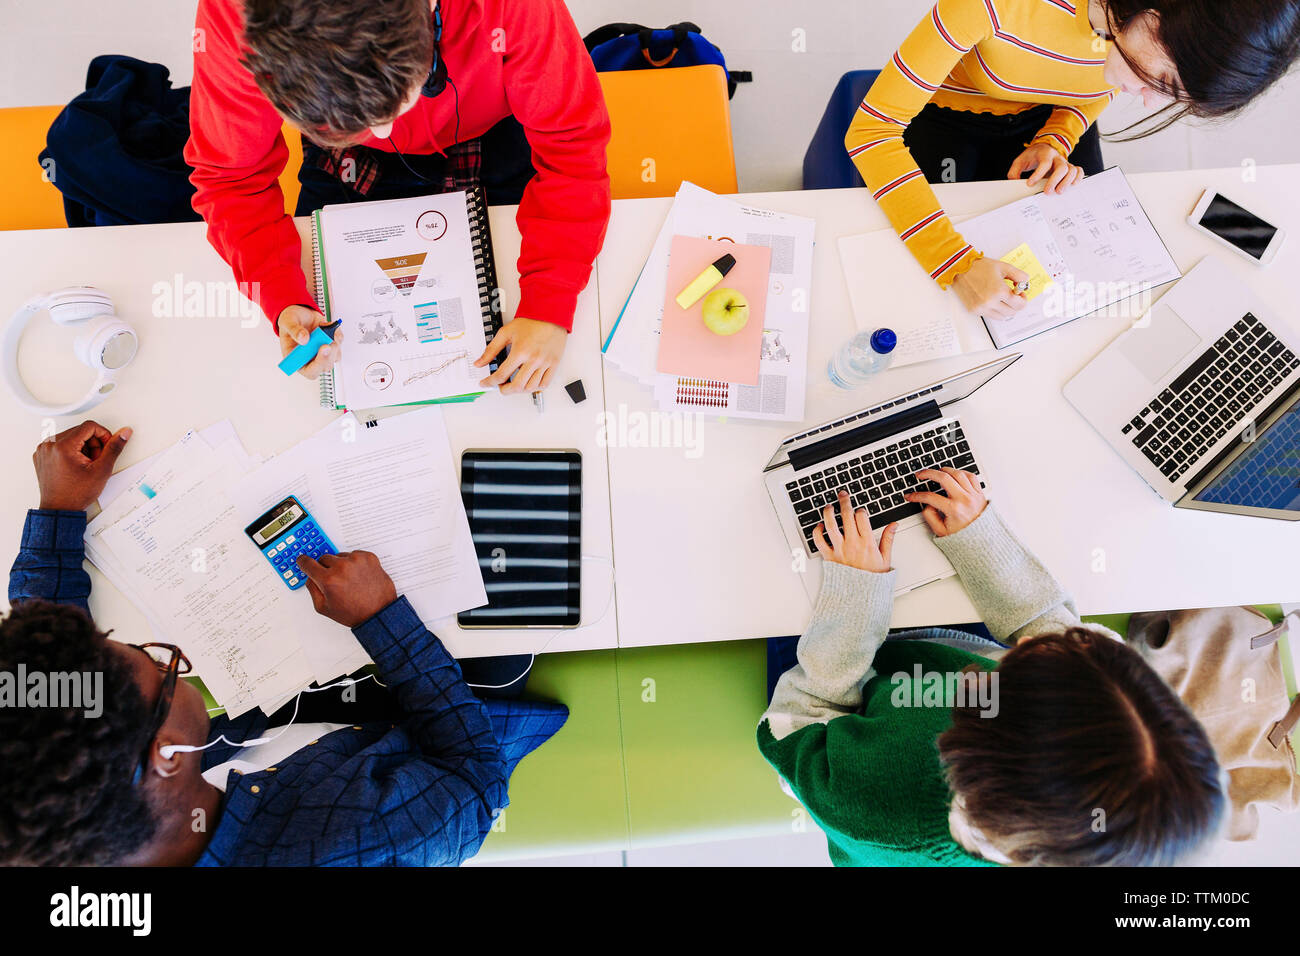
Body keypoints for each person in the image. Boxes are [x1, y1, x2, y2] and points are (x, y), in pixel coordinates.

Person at [0, 421, 566, 866]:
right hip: (425, 736)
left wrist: (58, 511)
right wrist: (382, 620)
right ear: (166, 752)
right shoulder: (362, 844)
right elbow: (475, 780)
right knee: (503, 588)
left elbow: (48, 689)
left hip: (276, 714)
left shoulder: (54, 822)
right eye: (160, 665)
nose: (166, 659)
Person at [758, 469, 1225, 866]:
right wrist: (980, 540)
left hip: (824, 696)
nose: (1042, 641)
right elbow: (1053, 631)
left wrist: (855, 602)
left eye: (1017, 670)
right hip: (935, 657)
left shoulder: (873, 807)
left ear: (970, 742)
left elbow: (794, 721)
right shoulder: (1118, 711)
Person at [184, 0, 611, 392]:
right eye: (367, 122)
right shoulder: (231, 16)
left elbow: (572, 146)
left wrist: (549, 302)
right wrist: (282, 296)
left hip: (491, 128)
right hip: (345, 157)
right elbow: (231, 178)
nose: (384, 132)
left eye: (390, 111)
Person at [846, 0, 1300, 318]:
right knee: (933, 294)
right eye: (1163, 80)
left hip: (1048, 120)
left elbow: (1094, 85)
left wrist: (1057, 138)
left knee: (1082, 285)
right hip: (953, 113)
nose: (1148, 101)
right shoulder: (992, 6)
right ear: (1153, 17)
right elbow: (871, 133)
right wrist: (956, 263)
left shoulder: (1132, 33)